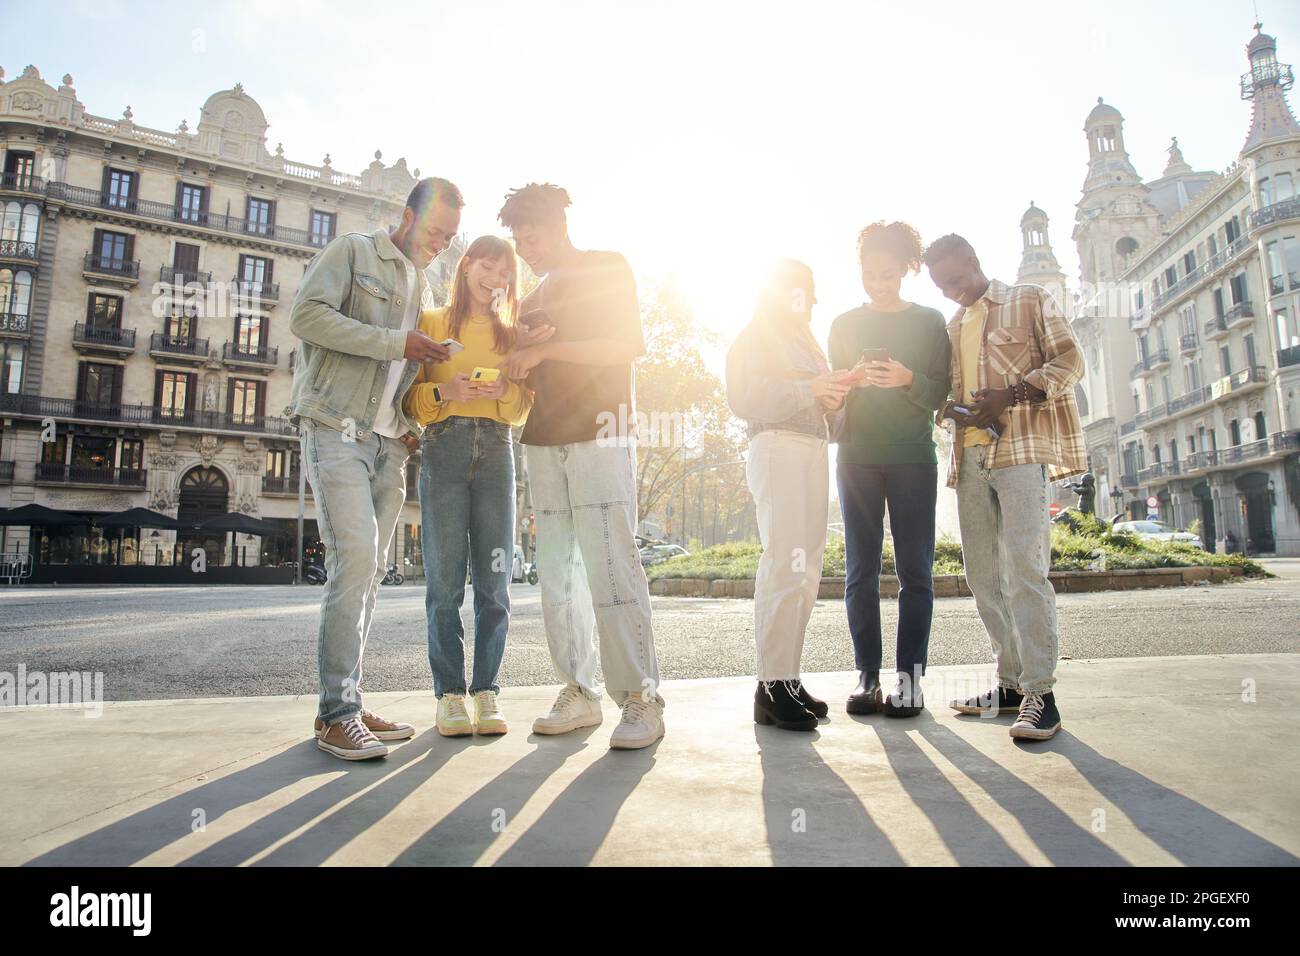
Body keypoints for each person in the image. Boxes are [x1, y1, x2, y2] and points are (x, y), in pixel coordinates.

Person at [289, 177, 463, 760]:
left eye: (449, 237)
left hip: (390, 446)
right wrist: (398, 342)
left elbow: (402, 370)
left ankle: (351, 702)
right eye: (436, 232)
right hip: (336, 428)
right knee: (354, 558)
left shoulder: (424, 283)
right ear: (407, 219)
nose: (441, 245)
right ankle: (334, 715)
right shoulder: (353, 252)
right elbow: (307, 317)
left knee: (370, 573)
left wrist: (413, 418)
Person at [497, 183, 665, 750]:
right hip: (543, 438)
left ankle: (642, 698)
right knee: (558, 576)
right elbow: (537, 370)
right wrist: (519, 362)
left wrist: (547, 348)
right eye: (518, 242)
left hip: (603, 429)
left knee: (612, 567)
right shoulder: (531, 297)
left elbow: (626, 344)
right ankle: (580, 691)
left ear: (559, 226)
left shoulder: (607, 267)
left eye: (533, 236)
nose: (527, 250)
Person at [924, 234, 1084, 742]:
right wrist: (951, 409)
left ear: (974, 262)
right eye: (941, 286)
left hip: (1020, 453)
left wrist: (1011, 395)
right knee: (982, 576)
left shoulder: (1029, 299)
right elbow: (949, 394)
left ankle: (1043, 695)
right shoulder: (951, 327)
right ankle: (1011, 684)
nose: (952, 292)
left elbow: (1069, 362)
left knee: (1026, 570)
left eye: (956, 279)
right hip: (969, 456)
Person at [403, 236, 540, 738]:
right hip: (443, 445)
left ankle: (487, 690)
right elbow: (409, 401)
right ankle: (450, 697)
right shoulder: (433, 322)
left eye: (505, 273)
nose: (495, 279)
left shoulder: (512, 334)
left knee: (494, 582)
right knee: (443, 582)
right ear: (466, 268)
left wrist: (505, 390)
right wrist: (446, 390)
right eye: (487, 267)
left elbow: (523, 407)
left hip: (499, 451)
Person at [829, 222, 951, 718]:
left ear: (905, 268)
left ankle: (910, 682)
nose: (878, 283)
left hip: (913, 459)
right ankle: (867, 677)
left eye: (887, 273)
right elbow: (830, 392)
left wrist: (907, 379)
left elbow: (942, 391)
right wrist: (848, 382)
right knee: (859, 572)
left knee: (915, 573)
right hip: (855, 457)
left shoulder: (928, 320)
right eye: (869, 274)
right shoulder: (842, 324)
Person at [727, 260, 850, 731]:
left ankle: (788, 678)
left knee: (806, 568)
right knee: (784, 562)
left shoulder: (808, 342)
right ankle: (771, 685)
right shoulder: (755, 334)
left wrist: (834, 397)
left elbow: (824, 408)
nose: (813, 299)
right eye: (805, 290)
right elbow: (743, 396)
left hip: (813, 448)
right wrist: (810, 388)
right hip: (776, 445)